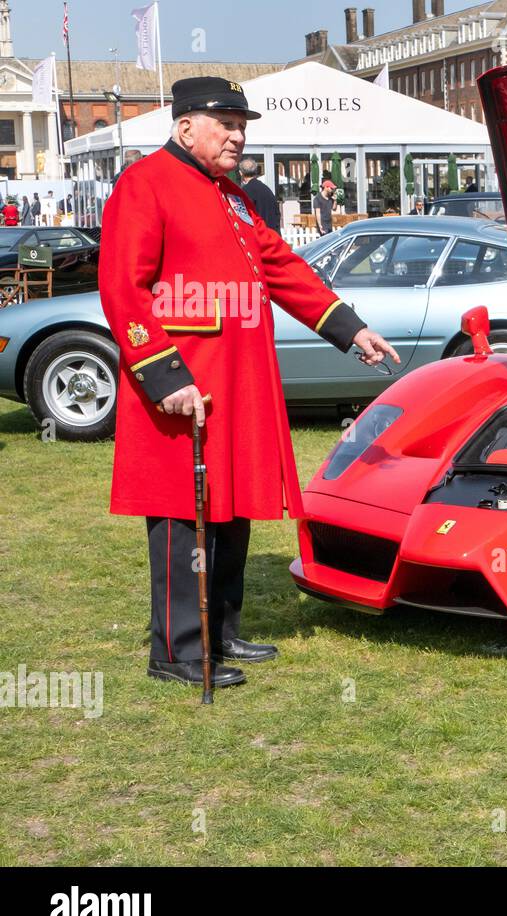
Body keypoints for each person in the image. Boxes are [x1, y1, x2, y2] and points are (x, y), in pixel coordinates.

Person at [99, 76, 399, 689]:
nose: (238, 135)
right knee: (185, 513)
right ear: (186, 127)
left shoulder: (229, 194)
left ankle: (224, 628)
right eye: (226, 123)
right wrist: (162, 373)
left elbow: (281, 265)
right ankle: (178, 650)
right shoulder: (146, 183)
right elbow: (122, 288)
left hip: (236, 382)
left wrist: (349, 327)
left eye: (242, 125)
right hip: (182, 385)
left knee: (230, 507)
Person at [237, 157, 281, 234]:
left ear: (241, 173)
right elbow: (277, 213)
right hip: (272, 234)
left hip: (259, 235)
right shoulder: (266, 189)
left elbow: (245, 217)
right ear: (256, 171)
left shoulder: (245, 191)